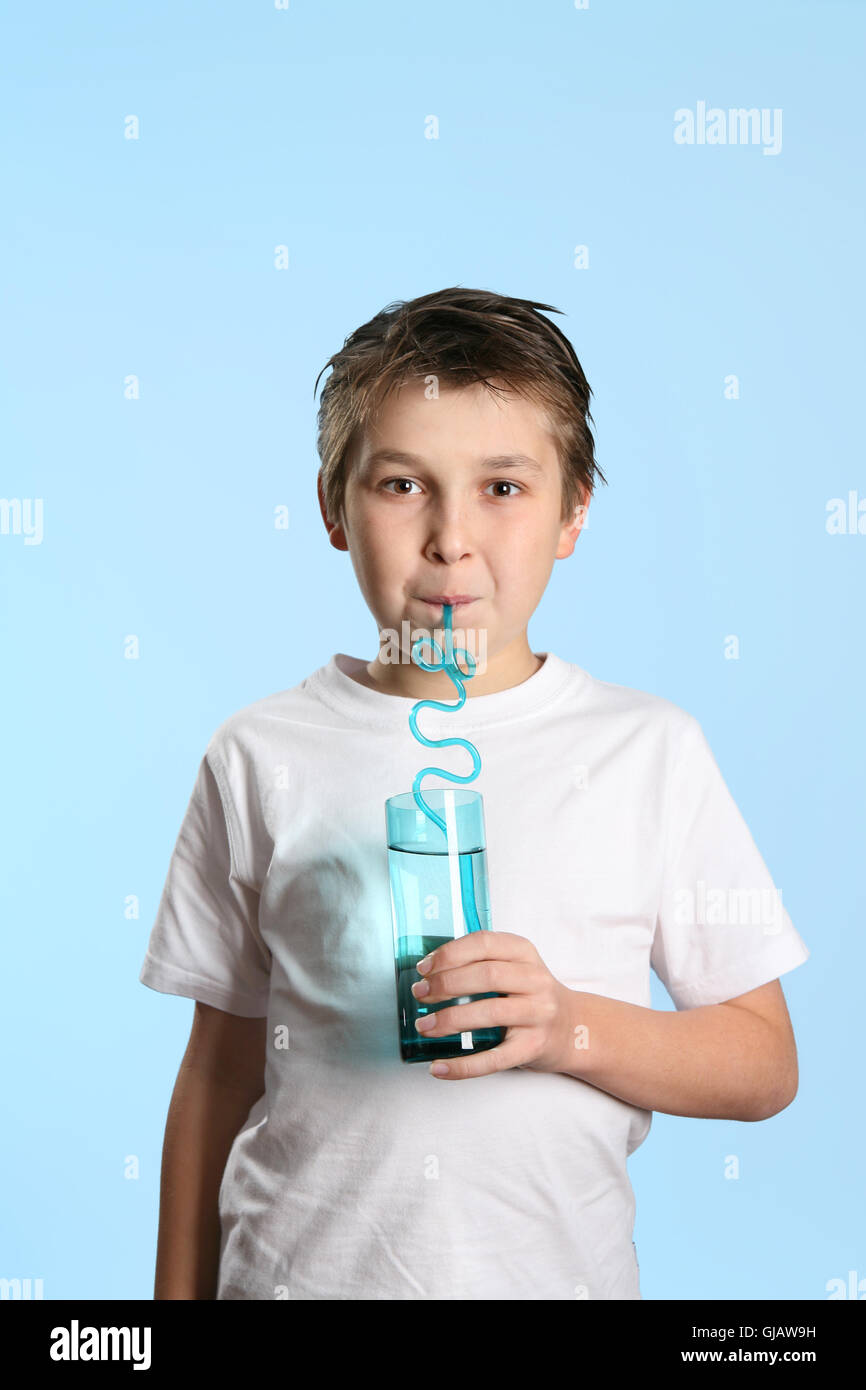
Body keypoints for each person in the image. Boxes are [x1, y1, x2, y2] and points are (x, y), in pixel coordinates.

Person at [139, 286, 809, 1300]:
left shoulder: (646, 752)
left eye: (502, 487)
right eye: (402, 484)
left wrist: (567, 1025)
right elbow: (218, 1075)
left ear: (572, 512)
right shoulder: (259, 754)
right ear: (332, 506)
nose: (450, 538)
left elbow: (760, 1062)